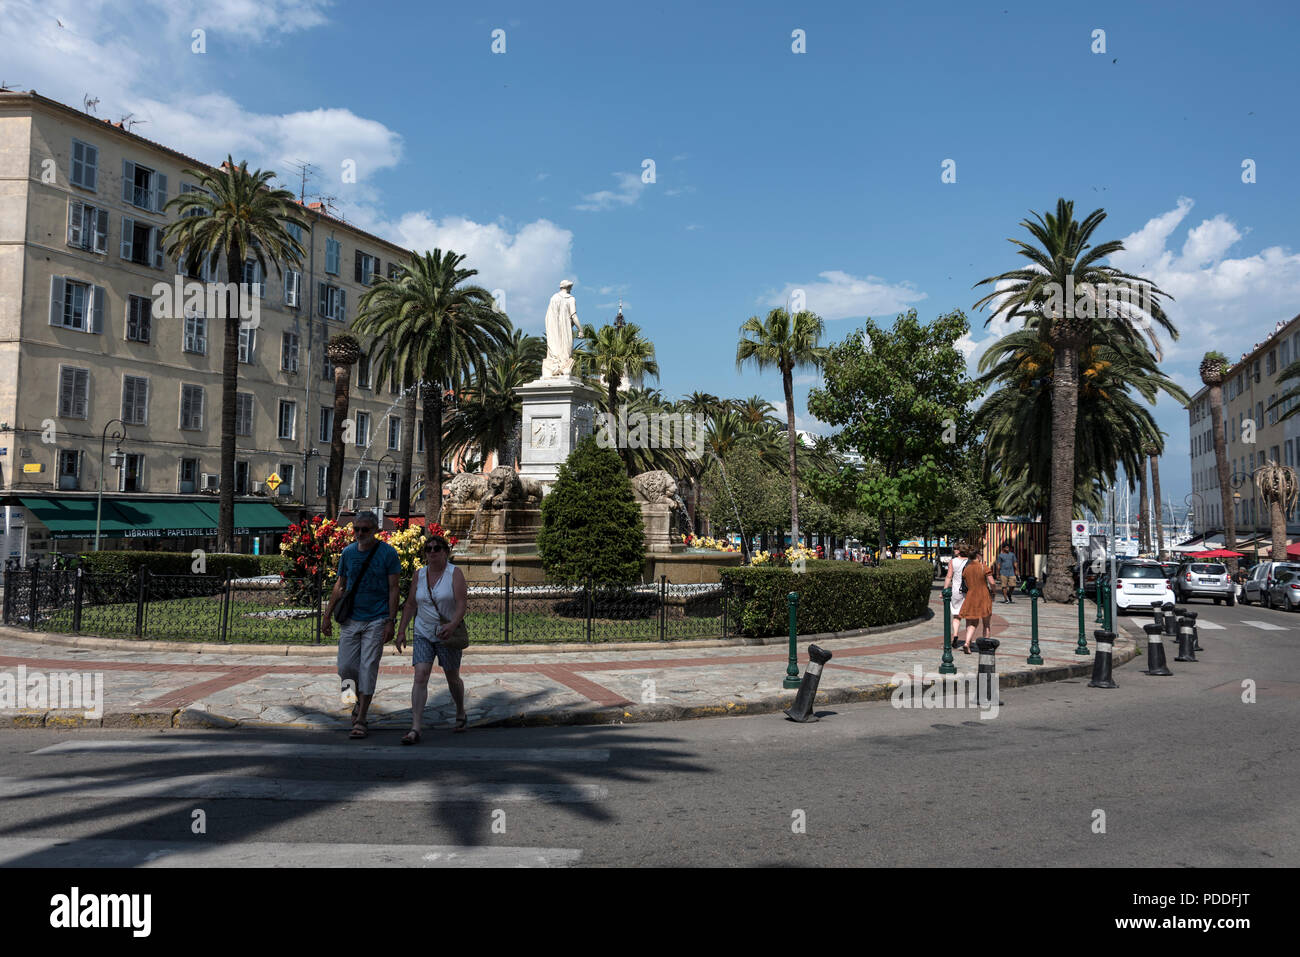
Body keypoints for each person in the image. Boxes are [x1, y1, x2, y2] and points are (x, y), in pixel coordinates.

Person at [320, 510, 401, 739]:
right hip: (351, 618)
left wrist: (391, 621)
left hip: (377, 619)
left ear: (375, 530)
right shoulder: (348, 553)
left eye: (365, 529)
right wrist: (327, 615)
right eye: (356, 529)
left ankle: (362, 717)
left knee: (367, 668)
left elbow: (394, 588)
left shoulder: (388, 553)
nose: (359, 533)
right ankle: (351, 702)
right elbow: (340, 584)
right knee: (344, 668)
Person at [395, 535, 468, 741]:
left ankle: (460, 710)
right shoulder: (420, 574)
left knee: (452, 677)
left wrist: (452, 625)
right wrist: (402, 631)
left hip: (447, 633)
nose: (432, 552)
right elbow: (410, 604)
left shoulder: (455, 573)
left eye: (437, 548)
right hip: (423, 632)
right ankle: (416, 727)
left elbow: (462, 603)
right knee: (420, 675)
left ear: (445, 551)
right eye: (428, 549)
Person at [958, 547, 997, 653]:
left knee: (972, 622)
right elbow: (992, 583)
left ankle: (967, 643)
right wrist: (994, 592)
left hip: (971, 596)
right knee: (986, 623)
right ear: (978, 556)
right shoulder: (983, 567)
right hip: (983, 595)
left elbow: (966, 584)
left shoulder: (967, 569)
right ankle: (986, 646)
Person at [943, 544, 970, 642]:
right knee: (969, 617)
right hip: (969, 591)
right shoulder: (970, 561)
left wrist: (945, 590)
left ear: (959, 551)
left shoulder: (953, 561)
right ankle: (968, 641)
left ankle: (955, 635)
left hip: (956, 590)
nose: (954, 550)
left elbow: (949, 576)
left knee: (956, 615)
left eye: (955, 549)